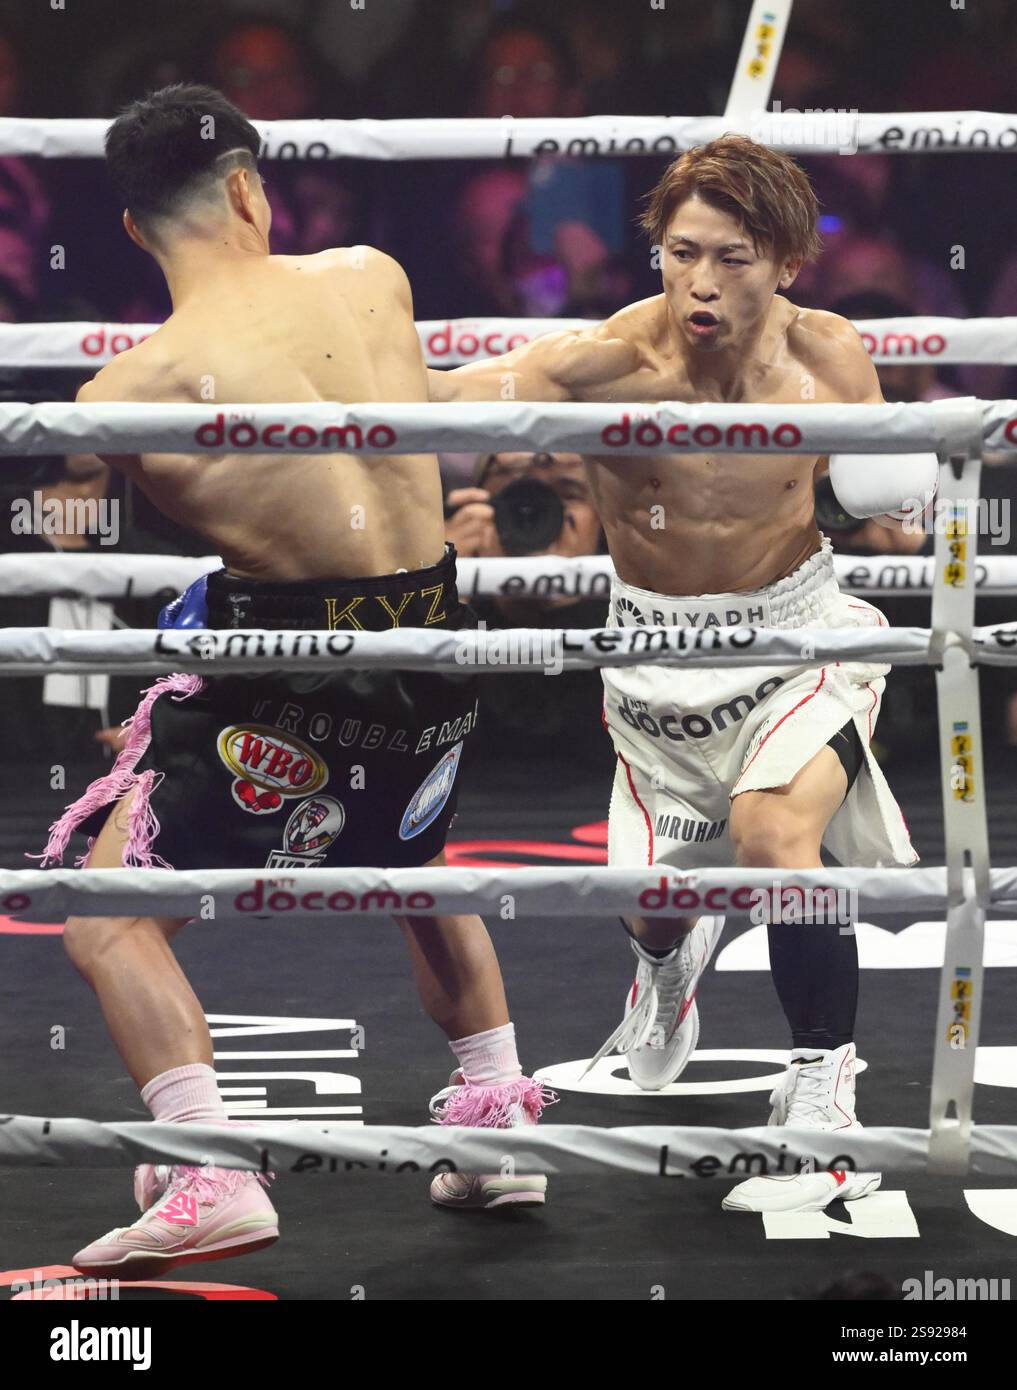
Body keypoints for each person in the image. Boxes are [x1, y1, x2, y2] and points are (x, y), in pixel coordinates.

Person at [35, 83, 551, 1279]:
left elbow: (211, 518)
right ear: (251, 188)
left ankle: (212, 1166)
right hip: (434, 653)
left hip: (291, 685)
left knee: (108, 915)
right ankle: (500, 1119)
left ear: (130, 231)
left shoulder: (127, 395)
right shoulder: (372, 276)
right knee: (408, 863)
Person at [430, 134, 936, 1213]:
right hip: (655, 661)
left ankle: (820, 1082)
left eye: (734, 258)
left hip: (801, 640)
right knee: (660, 909)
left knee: (774, 836)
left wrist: (907, 500)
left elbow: (891, 501)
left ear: (789, 262)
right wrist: (319, 373)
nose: (701, 283)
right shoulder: (610, 361)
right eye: (681, 251)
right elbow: (441, 394)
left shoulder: (834, 358)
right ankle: (666, 968)